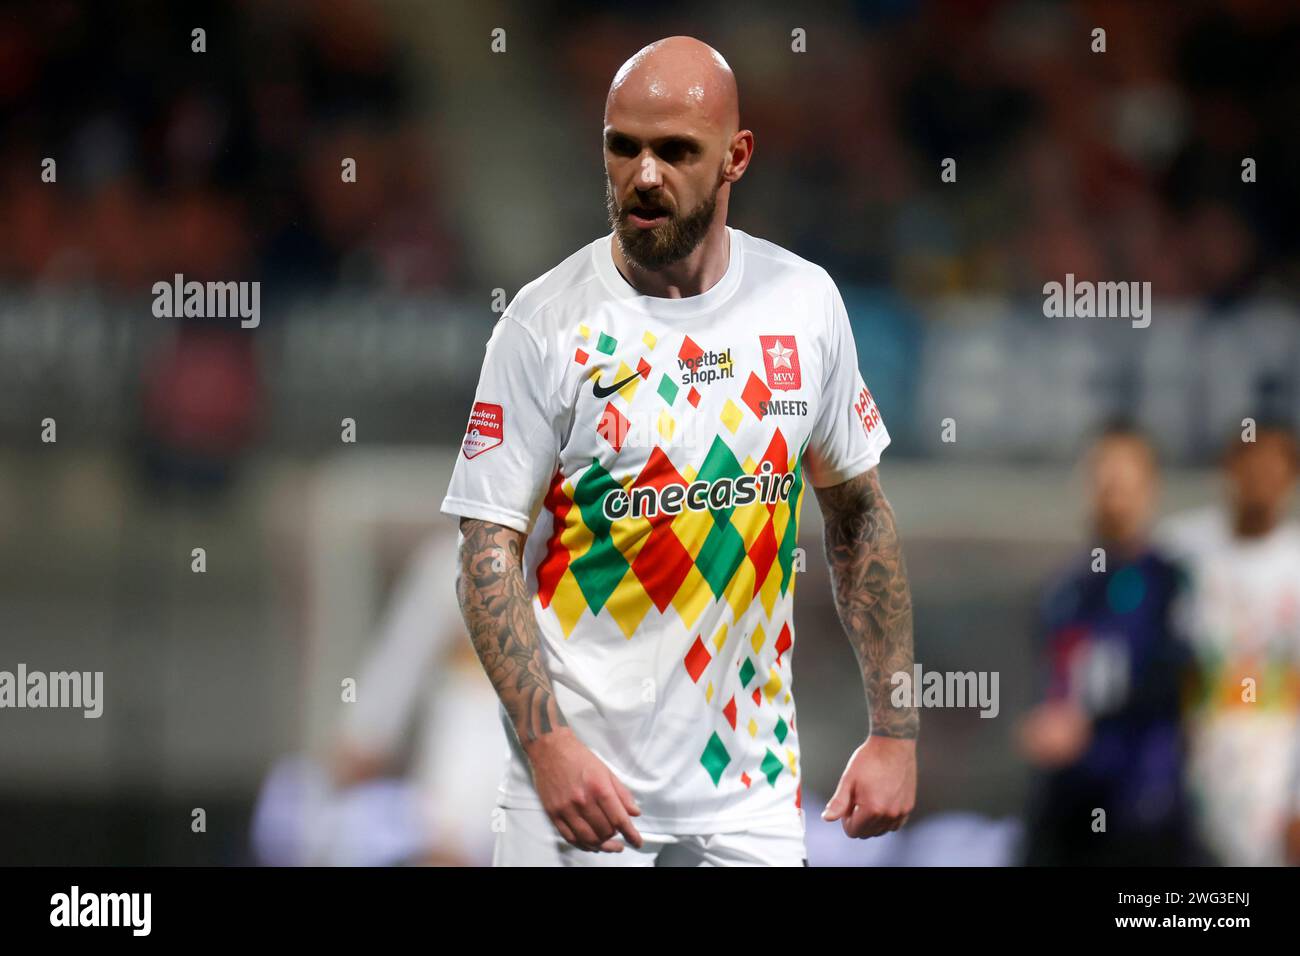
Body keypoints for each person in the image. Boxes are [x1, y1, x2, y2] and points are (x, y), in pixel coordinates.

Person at [439, 36, 916, 866]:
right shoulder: (544, 325)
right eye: (623, 147)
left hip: (753, 795)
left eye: (675, 151)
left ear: (736, 157)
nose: (644, 174)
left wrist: (895, 730)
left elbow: (860, 514)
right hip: (579, 798)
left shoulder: (802, 306)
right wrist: (548, 748)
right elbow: (485, 554)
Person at [1018, 423, 1197, 865]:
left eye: (1126, 476)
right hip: (1065, 811)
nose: (1113, 489)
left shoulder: (1171, 582)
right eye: (1102, 475)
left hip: (1142, 811)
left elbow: (1173, 677)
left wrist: (1089, 719)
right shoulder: (1064, 591)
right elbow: (1050, 687)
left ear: (1150, 486)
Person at [1156, 419, 1300, 866]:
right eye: (1249, 462)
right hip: (1192, 756)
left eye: (1273, 465)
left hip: (1273, 763)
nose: (1260, 477)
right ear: (1228, 468)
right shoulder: (1179, 550)